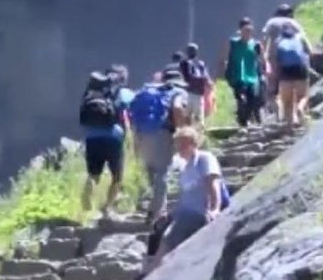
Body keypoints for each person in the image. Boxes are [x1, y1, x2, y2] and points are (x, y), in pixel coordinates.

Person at [143, 126, 228, 272]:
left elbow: (213, 184)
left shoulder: (204, 158)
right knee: (157, 230)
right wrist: (169, 214)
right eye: (178, 144)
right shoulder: (185, 167)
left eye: (183, 144)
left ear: (194, 143)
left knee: (170, 235)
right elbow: (184, 198)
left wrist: (214, 209)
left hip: (199, 212)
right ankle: (150, 267)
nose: (180, 148)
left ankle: (152, 270)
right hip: (185, 212)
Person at [129, 66, 190, 221]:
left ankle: (151, 203)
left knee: (150, 171)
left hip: (142, 133)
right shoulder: (177, 92)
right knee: (162, 172)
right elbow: (177, 108)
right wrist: (182, 131)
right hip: (161, 133)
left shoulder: (149, 91)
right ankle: (157, 213)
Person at [78, 66, 135, 216]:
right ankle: (107, 208)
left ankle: (87, 194)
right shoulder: (121, 93)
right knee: (117, 176)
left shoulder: (88, 97)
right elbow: (127, 111)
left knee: (94, 173)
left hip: (92, 138)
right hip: (113, 138)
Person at [262, 4, 308, 115]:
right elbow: (303, 40)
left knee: (272, 90)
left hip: (275, 58)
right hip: (296, 60)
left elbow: (264, 40)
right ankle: (298, 114)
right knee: (299, 90)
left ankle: (279, 114)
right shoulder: (293, 23)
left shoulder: (271, 22)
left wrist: (263, 58)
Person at [221, 17, 266, 127]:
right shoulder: (232, 43)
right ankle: (243, 122)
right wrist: (225, 70)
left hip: (252, 77)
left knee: (253, 100)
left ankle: (248, 119)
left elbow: (263, 59)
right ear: (240, 31)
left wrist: (264, 72)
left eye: (249, 30)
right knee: (241, 99)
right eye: (245, 30)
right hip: (237, 76)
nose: (248, 33)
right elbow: (225, 58)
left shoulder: (256, 44)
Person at [270, 23, 314, 126]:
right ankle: (300, 108)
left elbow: (274, 59)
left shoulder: (278, 41)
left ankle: (291, 124)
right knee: (303, 96)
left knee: (287, 101)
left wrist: (275, 75)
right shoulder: (300, 38)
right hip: (300, 70)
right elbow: (310, 52)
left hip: (285, 72)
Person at [180, 42, 210, 126]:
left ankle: (197, 134)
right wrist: (203, 80)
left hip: (197, 92)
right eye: (190, 50)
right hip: (188, 92)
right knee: (188, 116)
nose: (191, 52)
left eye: (193, 50)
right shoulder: (185, 63)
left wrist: (206, 82)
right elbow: (187, 76)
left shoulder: (200, 64)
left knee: (197, 117)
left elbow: (205, 76)